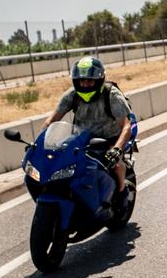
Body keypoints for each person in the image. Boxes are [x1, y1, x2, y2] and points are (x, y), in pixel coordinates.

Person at [42, 56, 132, 208]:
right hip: (80, 140)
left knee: (117, 165)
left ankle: (122, 192)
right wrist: (41, 141)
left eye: (90, 81)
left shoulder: (112, 95)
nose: (85, 84)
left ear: (99, 80)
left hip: (109, 139)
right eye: (81, 81)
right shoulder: (72, 95)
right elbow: (51, 120)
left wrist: (117, 148)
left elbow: (126, 126)